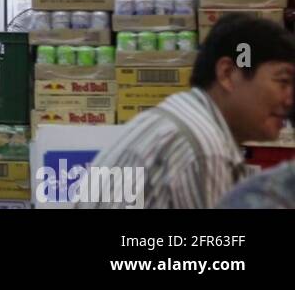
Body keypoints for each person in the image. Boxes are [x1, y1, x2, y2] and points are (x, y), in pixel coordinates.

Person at [78, 14, 295, 209]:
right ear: (228, 74)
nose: (289, 99)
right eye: (283, 82)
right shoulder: (202, 145)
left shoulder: (181, 117)